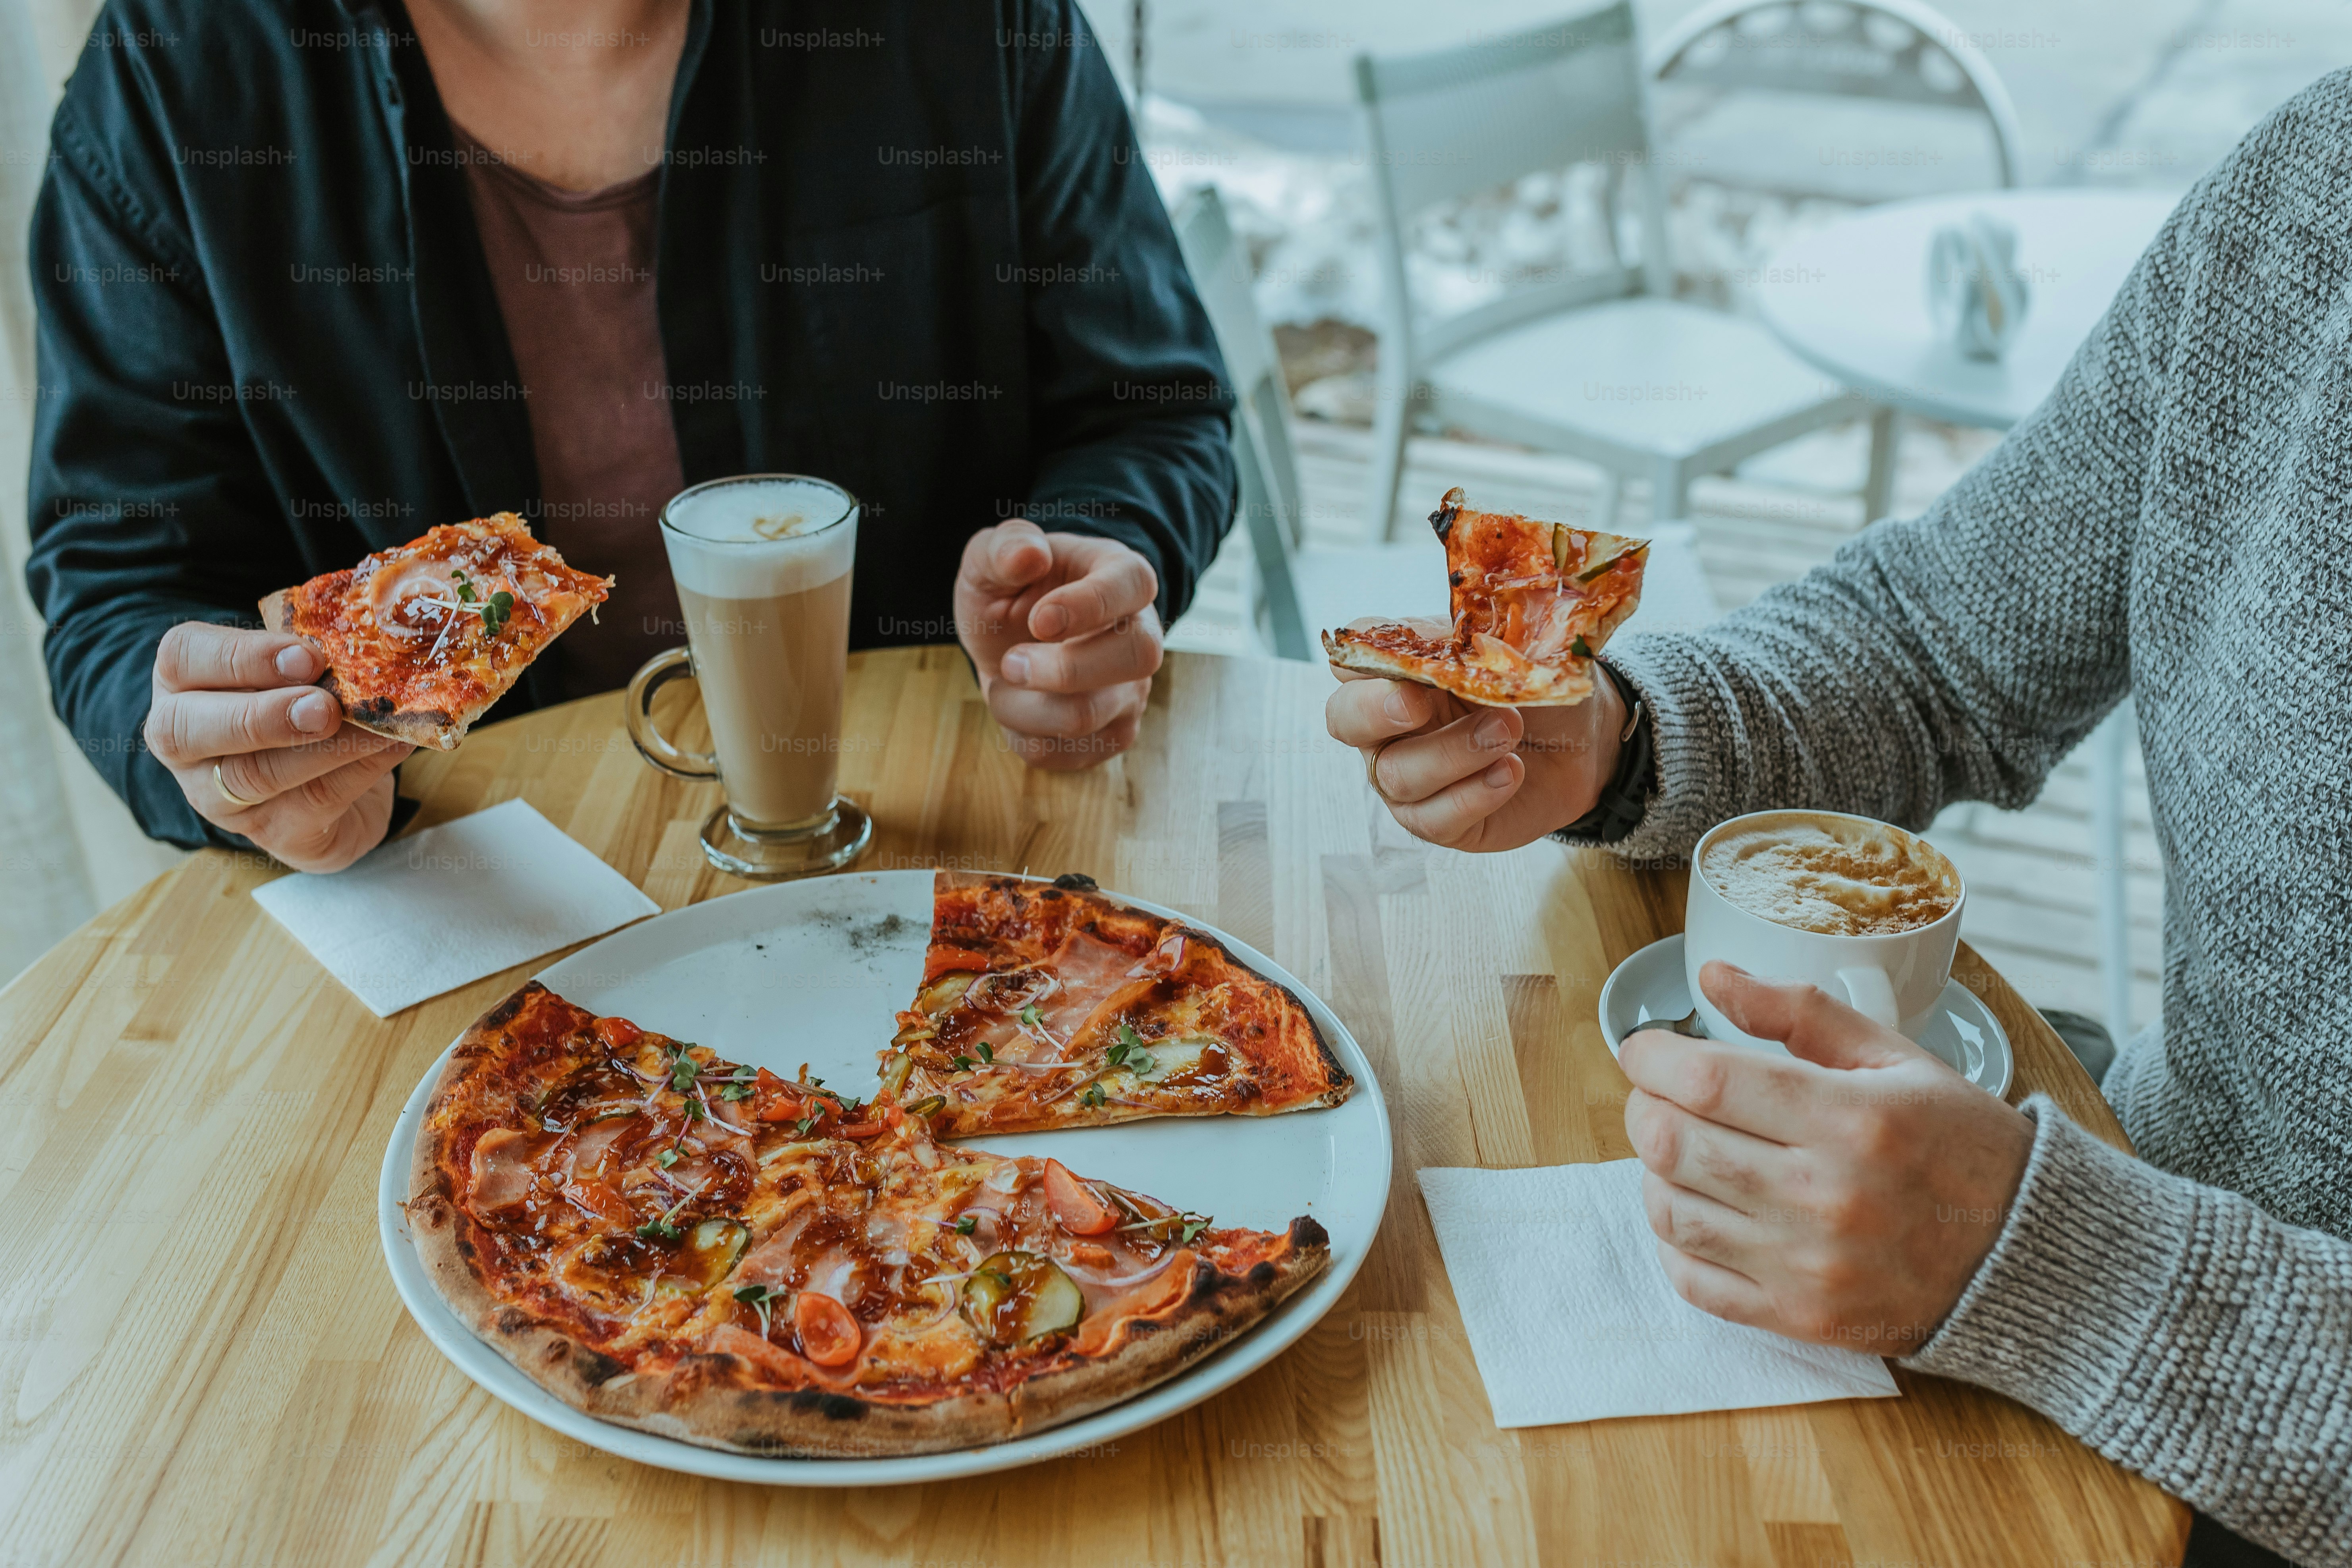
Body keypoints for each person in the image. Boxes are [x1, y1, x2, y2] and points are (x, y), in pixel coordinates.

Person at [1327, 74, 2352, 1568]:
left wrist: (2052, 1264)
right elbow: (1943, 642)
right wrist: (1621, 735)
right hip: (2124, 1182)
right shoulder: (2307, 195)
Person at [27, 0, 1230, 872]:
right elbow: (121, 579)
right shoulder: (173, 68)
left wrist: (1086, 570)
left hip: (945, 848)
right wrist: (228, 753)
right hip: (460, 898)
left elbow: (1148, 416)